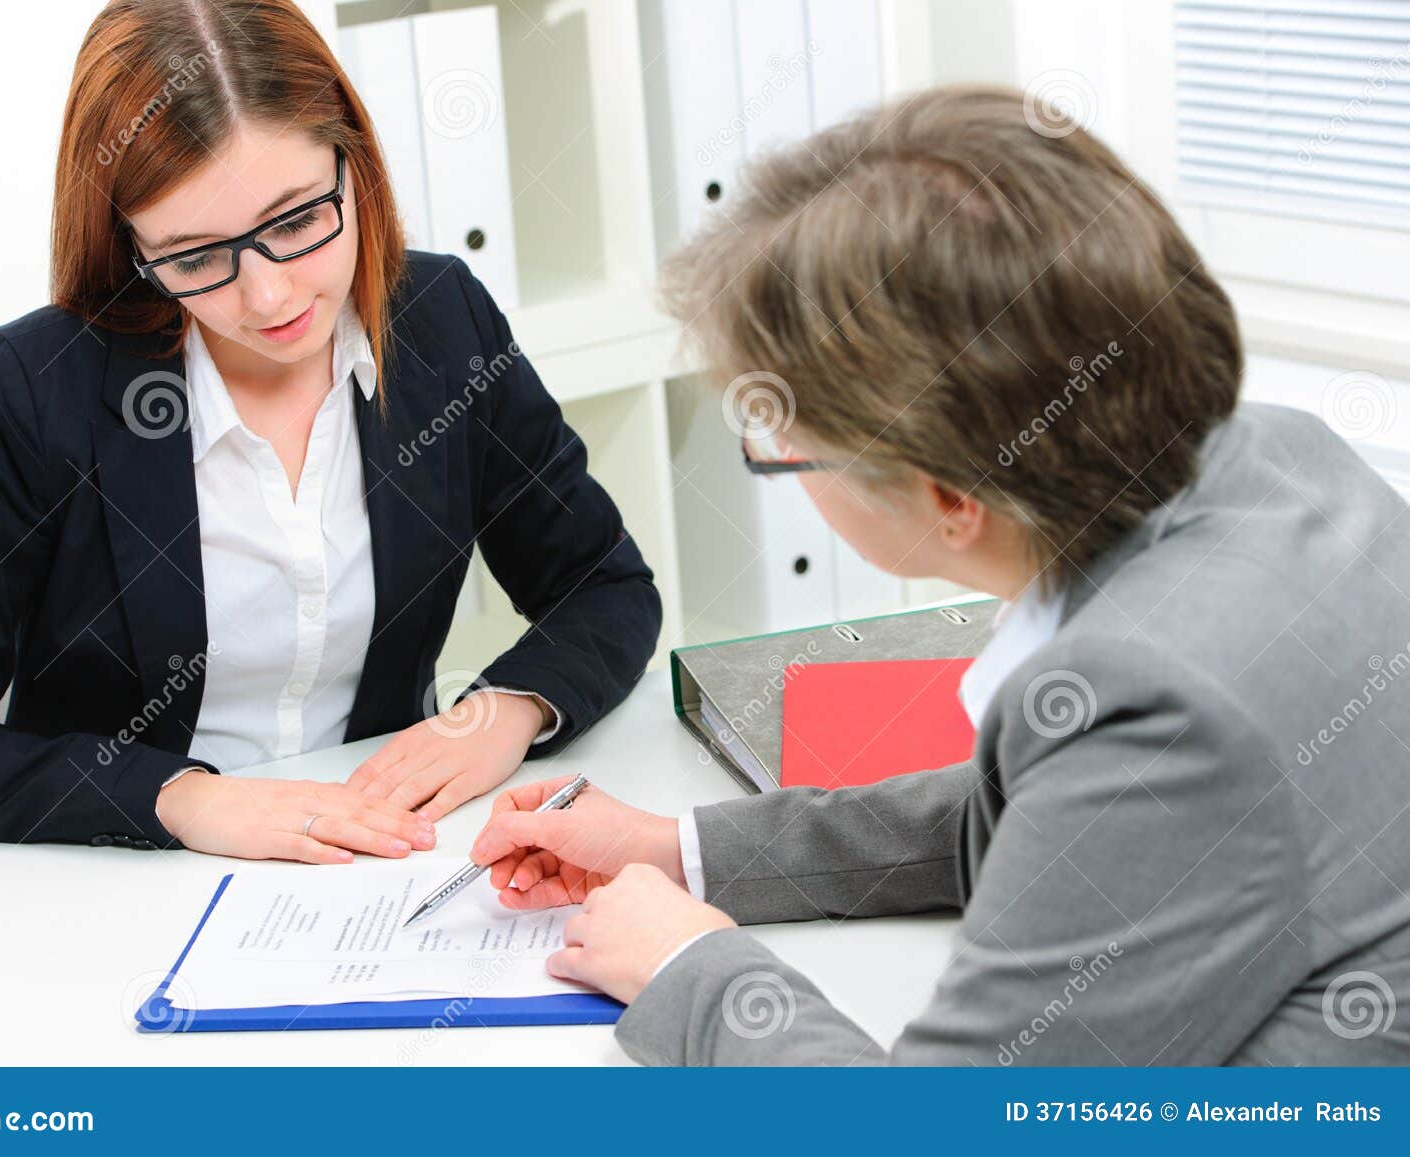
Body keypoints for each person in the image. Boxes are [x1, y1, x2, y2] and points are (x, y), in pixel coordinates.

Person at [466, 86, 1410, 1065]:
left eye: (784, 437)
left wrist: (688, 970)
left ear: (949, 495)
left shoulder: (1158, 706)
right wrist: (686, 851)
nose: (779, 457)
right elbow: (1042, 815)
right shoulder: (1270, 453)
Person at [0, 0, 659, 862]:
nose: (268, 298)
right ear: (132, 249)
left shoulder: (442, 325)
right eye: (196, 258)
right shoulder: (31, 393)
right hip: (109, 890)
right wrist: (175, 798)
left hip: (381, 866)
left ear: (355, 165)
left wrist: (507, 711)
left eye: (298, 220)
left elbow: (606, 585)